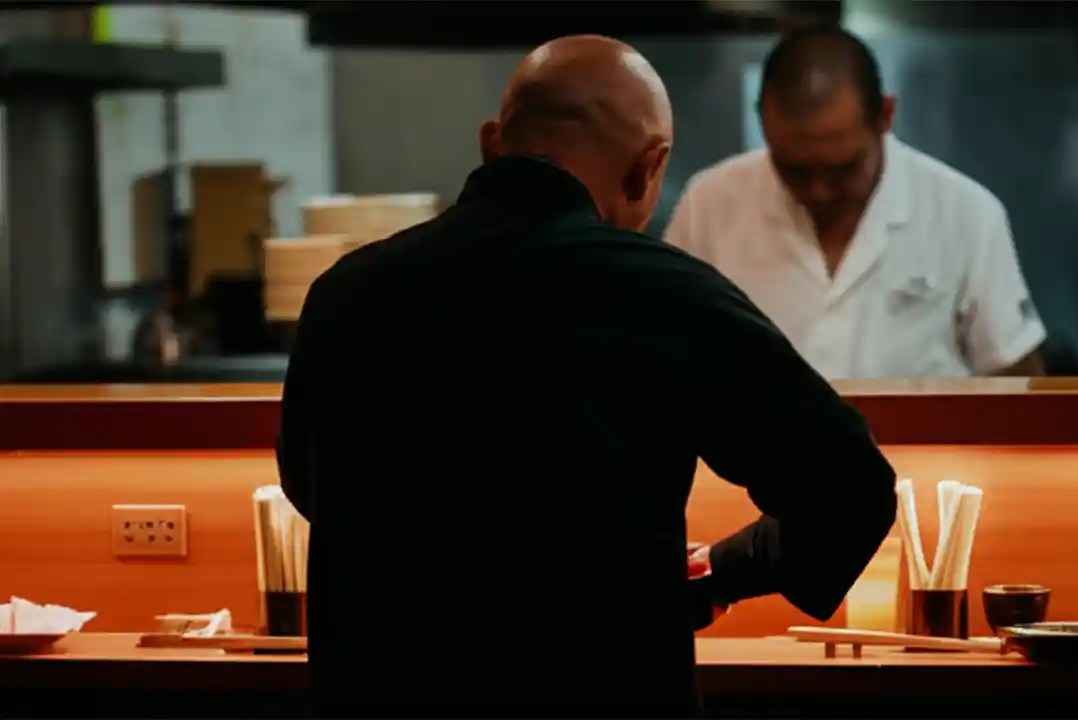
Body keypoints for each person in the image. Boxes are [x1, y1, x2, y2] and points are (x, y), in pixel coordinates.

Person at [277, 34, 896, 718]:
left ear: (492, 142)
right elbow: (851, 489)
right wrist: (722, 571)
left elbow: (311, 488)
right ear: (647, 170)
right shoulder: (665, 295)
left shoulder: (346, 293)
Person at [664, 24, 1047, 380]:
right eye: (794, 170)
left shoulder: (965, 214)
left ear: (885, 115)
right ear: (763, 122)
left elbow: (1015, 376)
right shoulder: (708, 204)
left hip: (922, 452)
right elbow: (658, 351)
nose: (819, 191)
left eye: (842, 169)